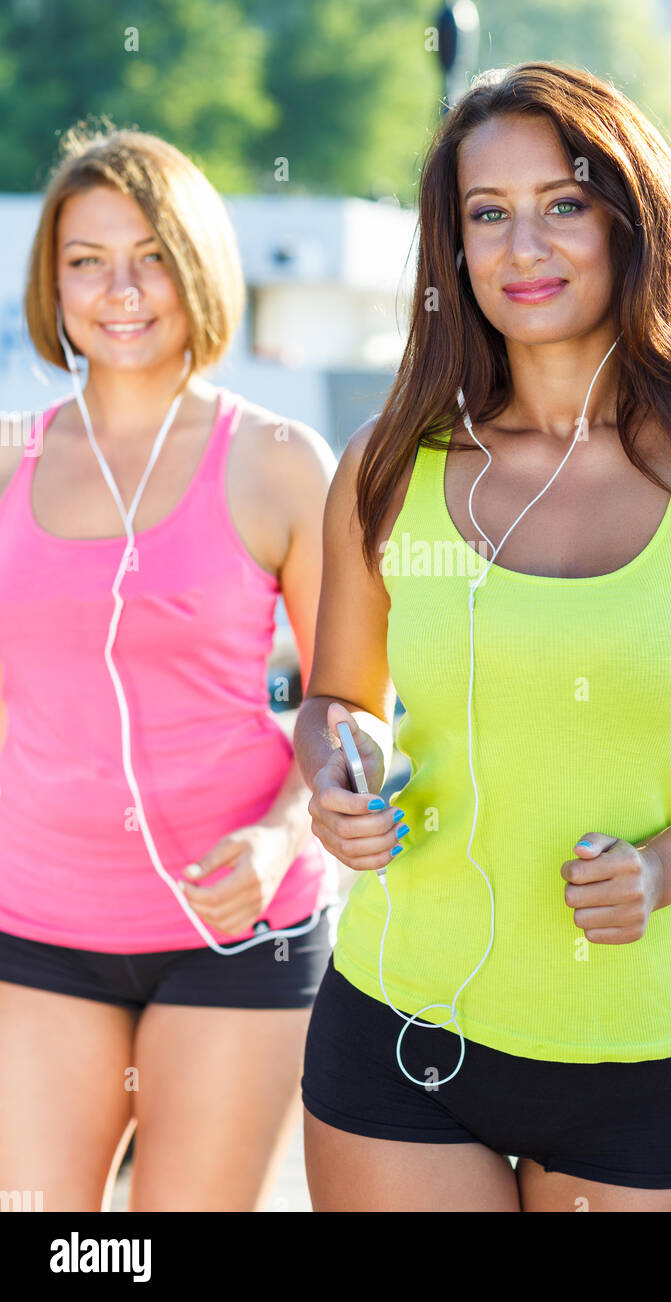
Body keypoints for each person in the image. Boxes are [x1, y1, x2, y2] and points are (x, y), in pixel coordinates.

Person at [293, 63, 671, 1213]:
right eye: (486, 213)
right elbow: (334, 698)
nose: (522, 246)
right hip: (398, 1023)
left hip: (634, 1043)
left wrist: (668, 867)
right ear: (451, 246)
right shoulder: (388, 462)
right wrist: (336, 773)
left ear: (627, 216)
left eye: (562, 201)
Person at [0, 125, 338, 1211]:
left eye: (150, 253)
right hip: (39, 920)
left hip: (237, 928)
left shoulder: (278, 461)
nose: (120, 289)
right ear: (52, 282)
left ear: (199, 266)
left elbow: (352, 699)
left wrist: (283, 829)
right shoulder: (7, 458)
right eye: (85, 260)